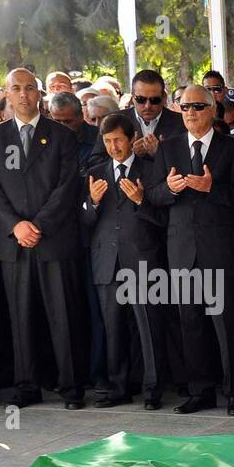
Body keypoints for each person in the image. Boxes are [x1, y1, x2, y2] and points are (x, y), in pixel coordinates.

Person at [0, 68, 85, 409]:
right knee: (20, 316)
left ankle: (70, 386)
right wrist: (17, 226)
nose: (23, 94)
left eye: (29, 88)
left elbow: (67, 187)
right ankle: (26, 386)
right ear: (6, 94)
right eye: (16, 88)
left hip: (53, 239)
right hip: (14, 243)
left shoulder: (62, 135)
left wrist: (37, 225)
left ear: (39, 94)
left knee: (63, 316)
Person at [146, 84, 234, 415]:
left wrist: (211, 188)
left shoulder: (232, 148)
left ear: (213, 110)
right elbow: (153, 196)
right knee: (190, 323)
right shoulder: (168, 147)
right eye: (185, 107)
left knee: (228, 323)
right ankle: (200, 391)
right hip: (181, 249)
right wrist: (170, 189)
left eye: (198, 107)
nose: (190, 113)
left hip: (220, 247)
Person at [81, 112, 168, 409]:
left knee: (148, 325)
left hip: (143, 258)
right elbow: (83, 220)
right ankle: (119, 387)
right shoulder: (96, 172)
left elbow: (164, 218)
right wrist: (91, 202)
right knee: (113, 326)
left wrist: (142, 201)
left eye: (118, 140)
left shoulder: (152, 169)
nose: (113, 147)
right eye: (107, 141)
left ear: (132, 139)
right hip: (107, 260)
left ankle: (153, 389)